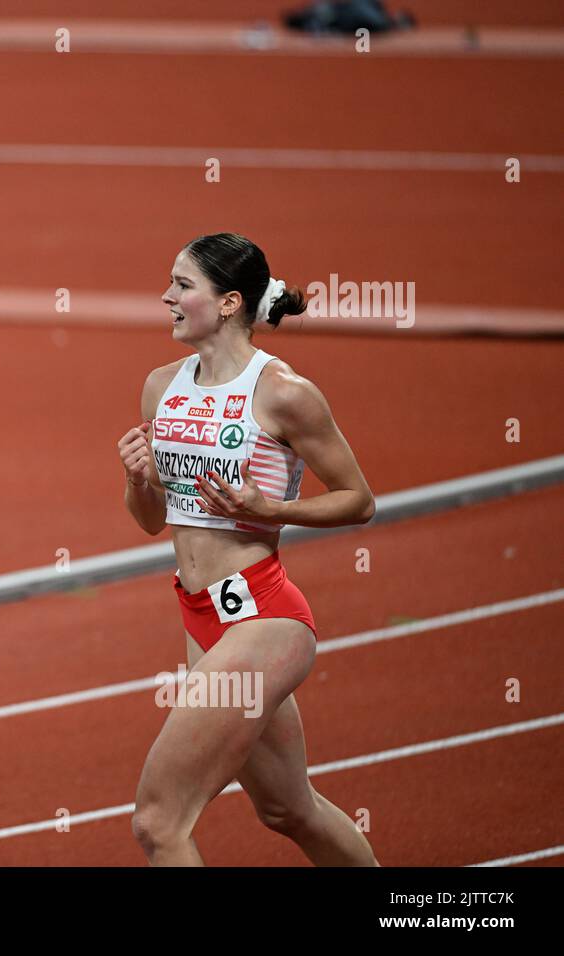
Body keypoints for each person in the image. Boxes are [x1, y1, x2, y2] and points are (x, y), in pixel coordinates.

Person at [116, 232, 379, 866]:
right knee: (288, 808)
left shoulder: (283, 393)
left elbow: (358, 498)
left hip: (264, 619)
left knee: (159, 821)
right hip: (201, 615)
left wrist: (274, 510)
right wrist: (137, 479)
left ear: (230, 301)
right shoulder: (161, 386)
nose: (166, 296)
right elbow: (153, 522)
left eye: (183, 286)